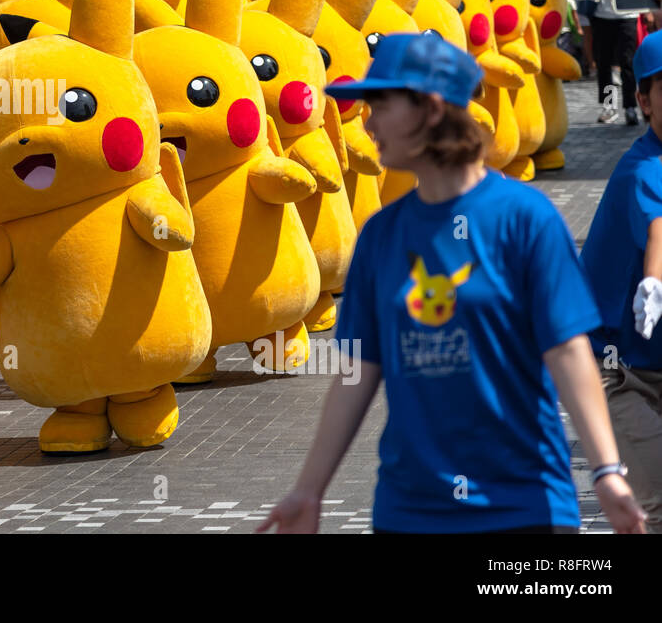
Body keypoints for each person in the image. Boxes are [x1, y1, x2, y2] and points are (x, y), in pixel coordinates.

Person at [259, 33, 647, 534]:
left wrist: (607, 474)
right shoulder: (380, 236)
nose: (367, 119)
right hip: (408, 512)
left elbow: (569, 354)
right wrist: (307, 490)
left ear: (433, 109)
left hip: (525, 509)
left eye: (381, 102)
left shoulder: (525, 220)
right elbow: (356, 375)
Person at [579, 31, 662, 533]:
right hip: (619, 369)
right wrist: (654, 280)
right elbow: (659, 227)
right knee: (654, 504)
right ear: (644, 101)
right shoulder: (642, 171)